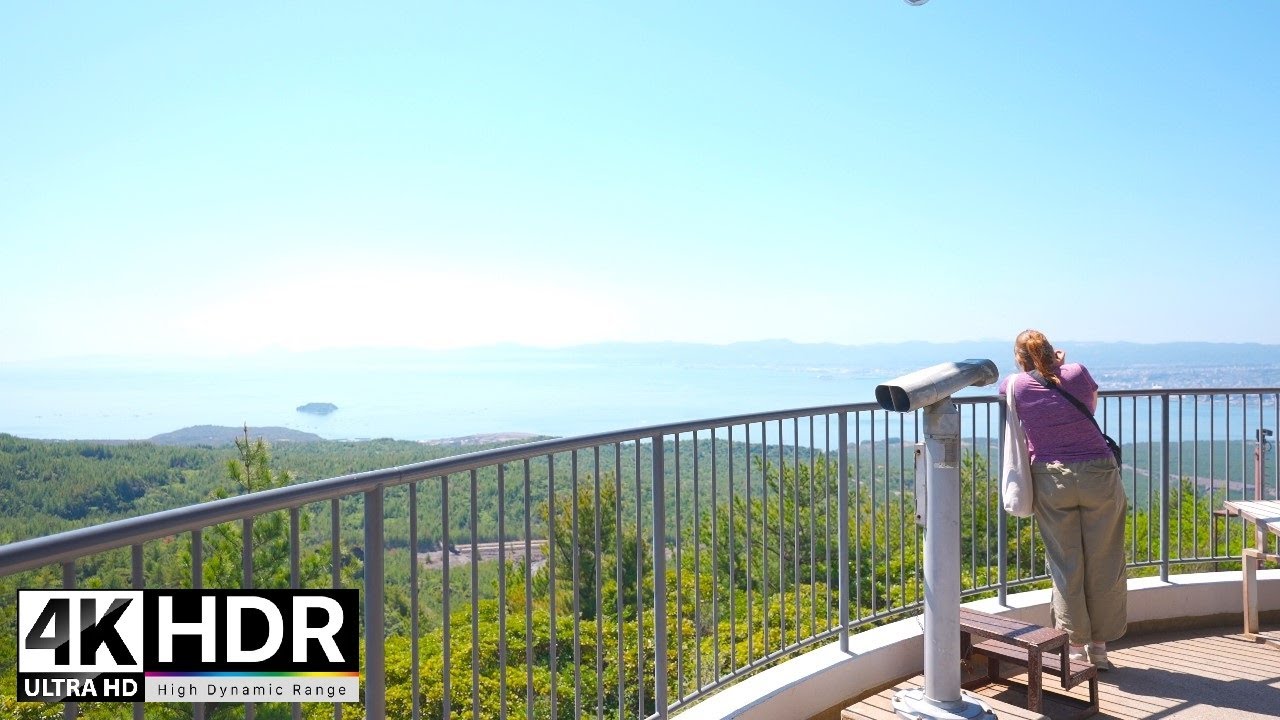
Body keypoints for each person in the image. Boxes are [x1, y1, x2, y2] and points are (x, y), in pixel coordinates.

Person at [1000, 329, 1127, 670]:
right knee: (1105, 558)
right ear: (1054, 351)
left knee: (1066, 563)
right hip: (1098, 473)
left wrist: (1039, 368)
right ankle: (1099, 650)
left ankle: (1072, 649)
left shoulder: (1015, 385)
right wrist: (1059, 366)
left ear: (1019, 358)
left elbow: (1021, 391)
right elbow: (1090, 405)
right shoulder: (1078, 372)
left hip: (1051, 477)